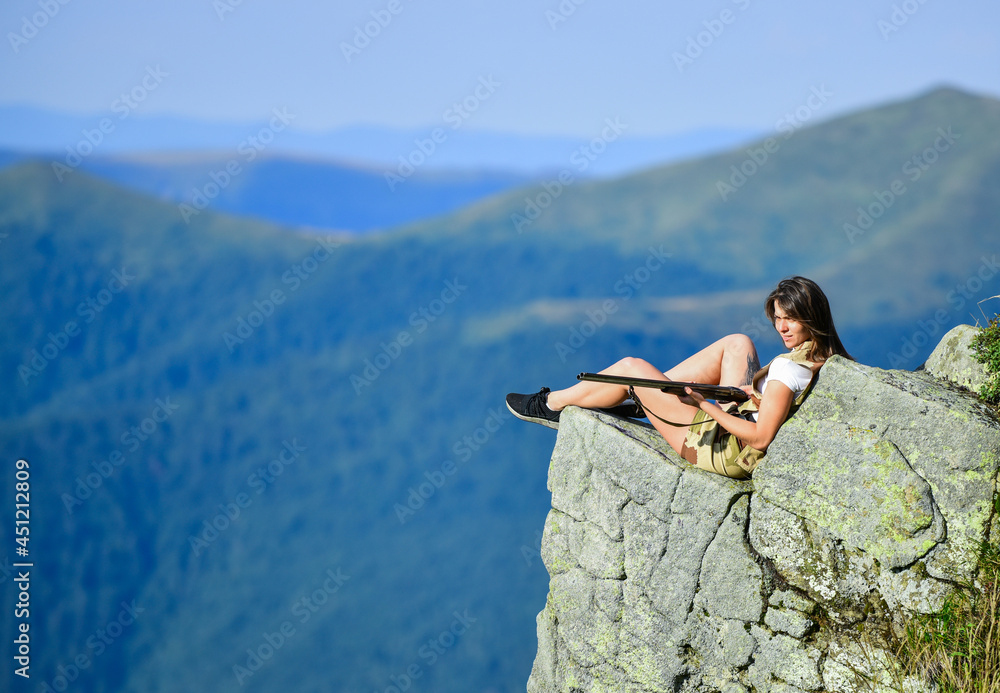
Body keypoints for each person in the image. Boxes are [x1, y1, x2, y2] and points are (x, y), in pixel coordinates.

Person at [505, 276, 852, 478]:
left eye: (790, 318)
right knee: (738, 343)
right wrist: (753, 394)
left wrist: (705, 404)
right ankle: (645, 397)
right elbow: (780, 403)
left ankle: (552, 404)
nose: (781, 327)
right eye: (777, 318)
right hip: (736, 424)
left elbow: (761, 439)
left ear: (811, 316)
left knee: (630, 368)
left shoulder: (787, 369)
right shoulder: (825, 360)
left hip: (718, 448)